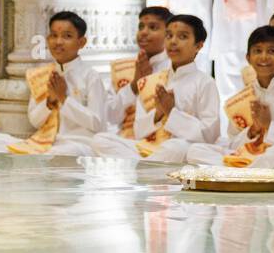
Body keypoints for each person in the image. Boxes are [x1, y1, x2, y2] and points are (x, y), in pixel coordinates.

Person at [92, 14, 220, 162]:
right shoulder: (151, 81)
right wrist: (159, 113)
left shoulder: (205, 82)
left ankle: (141, 167)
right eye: (169, 36)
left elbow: (210, 134)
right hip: (149, 147)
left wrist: (171, 112)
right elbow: (139, 131)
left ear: (198, 45)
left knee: (176, 147)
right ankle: (146, 167)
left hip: (179, 147)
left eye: (182, 37)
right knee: (100, 139)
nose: (173, 42)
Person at [186, 25, 274, 169]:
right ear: (248, 58)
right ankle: (246, 173)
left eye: (272, 51)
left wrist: (269, 127)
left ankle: (241, 174)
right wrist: (252, 131)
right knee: (195, 150)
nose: (264, 57)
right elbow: (233, 142)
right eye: (258, 51)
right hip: (245, 157)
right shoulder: (241, 98)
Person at [0, 11, 108, 156]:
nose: (58, 42)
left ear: (81, 42)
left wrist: (64, 100)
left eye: (67, 36)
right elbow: (35, 122)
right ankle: (37, 158)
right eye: (54, 35)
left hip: (78, 145)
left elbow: (97, 124)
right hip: (46, 143)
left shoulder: (91, 76)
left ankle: (35, 159)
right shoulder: (41, 75)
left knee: (64, 152)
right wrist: (50, 102)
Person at [108, 6, 173, 132]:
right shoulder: (122, 68)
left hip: (163, 138)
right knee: (100, 140)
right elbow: (111, 117)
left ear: (168, 34)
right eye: (141, 27)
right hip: (126, 140)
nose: (144, 32)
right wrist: (134, 85)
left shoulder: (174, 68)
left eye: (153, 27)